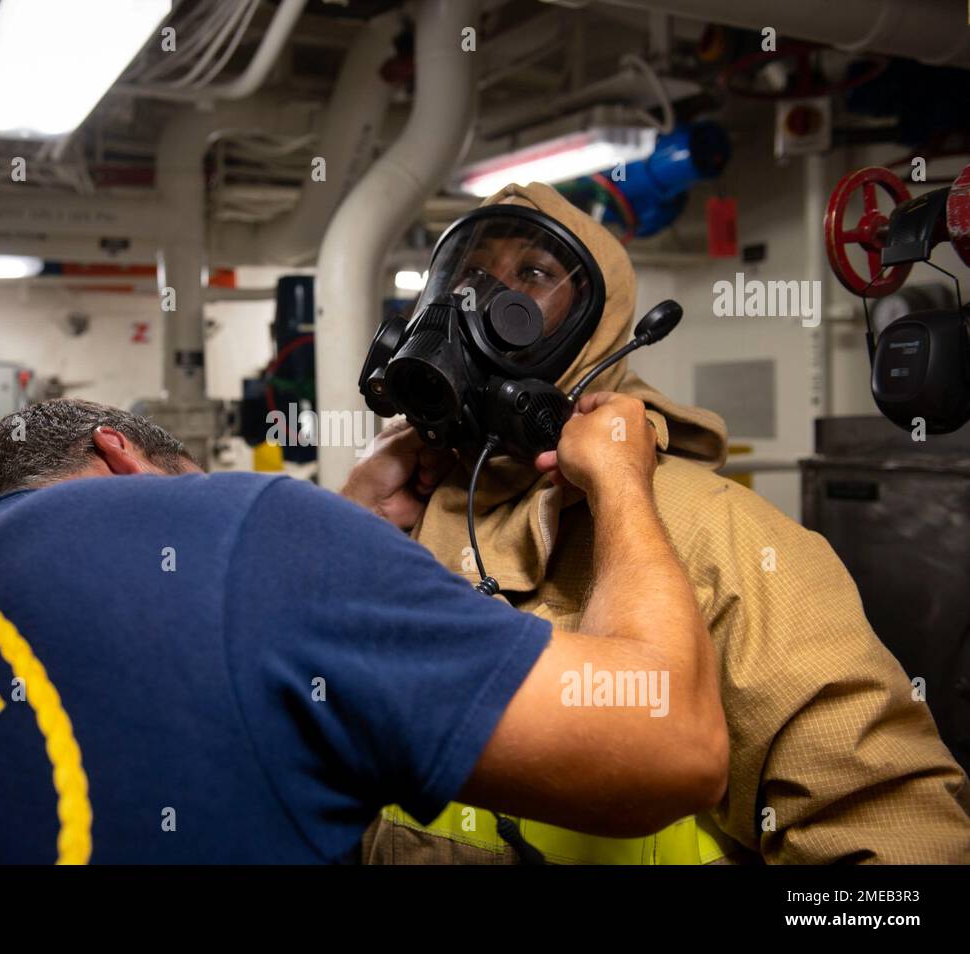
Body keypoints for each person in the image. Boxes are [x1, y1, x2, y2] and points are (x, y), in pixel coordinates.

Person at [0, 397, 725, 864]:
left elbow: (193, 669)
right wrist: (624, 483)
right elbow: (669, 742)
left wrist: (334, 541)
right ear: (121, 459)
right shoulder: (227, 527)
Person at [363, 181, 970, 865]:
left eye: (530, 275)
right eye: (469, 274)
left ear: (595, 336)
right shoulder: (392, 527)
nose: (476, 302)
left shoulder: (714, 533)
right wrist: (346, 531)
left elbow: (894, 844)